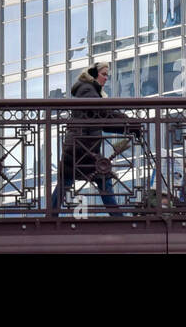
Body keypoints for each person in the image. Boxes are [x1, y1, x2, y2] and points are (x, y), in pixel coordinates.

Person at [48, 62, 137, 215]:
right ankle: (117, 217)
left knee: (67, 181)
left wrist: (128, 127)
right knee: (102, 178)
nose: (106, 78)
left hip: (81, 146)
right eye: (103, 74)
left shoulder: (89, 89)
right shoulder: (87, 89)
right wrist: (129, 123)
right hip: (82, 147)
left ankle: (50, 216)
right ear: (94, 74)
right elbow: (103, 113)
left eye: (107, 75)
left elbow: (102, 121)